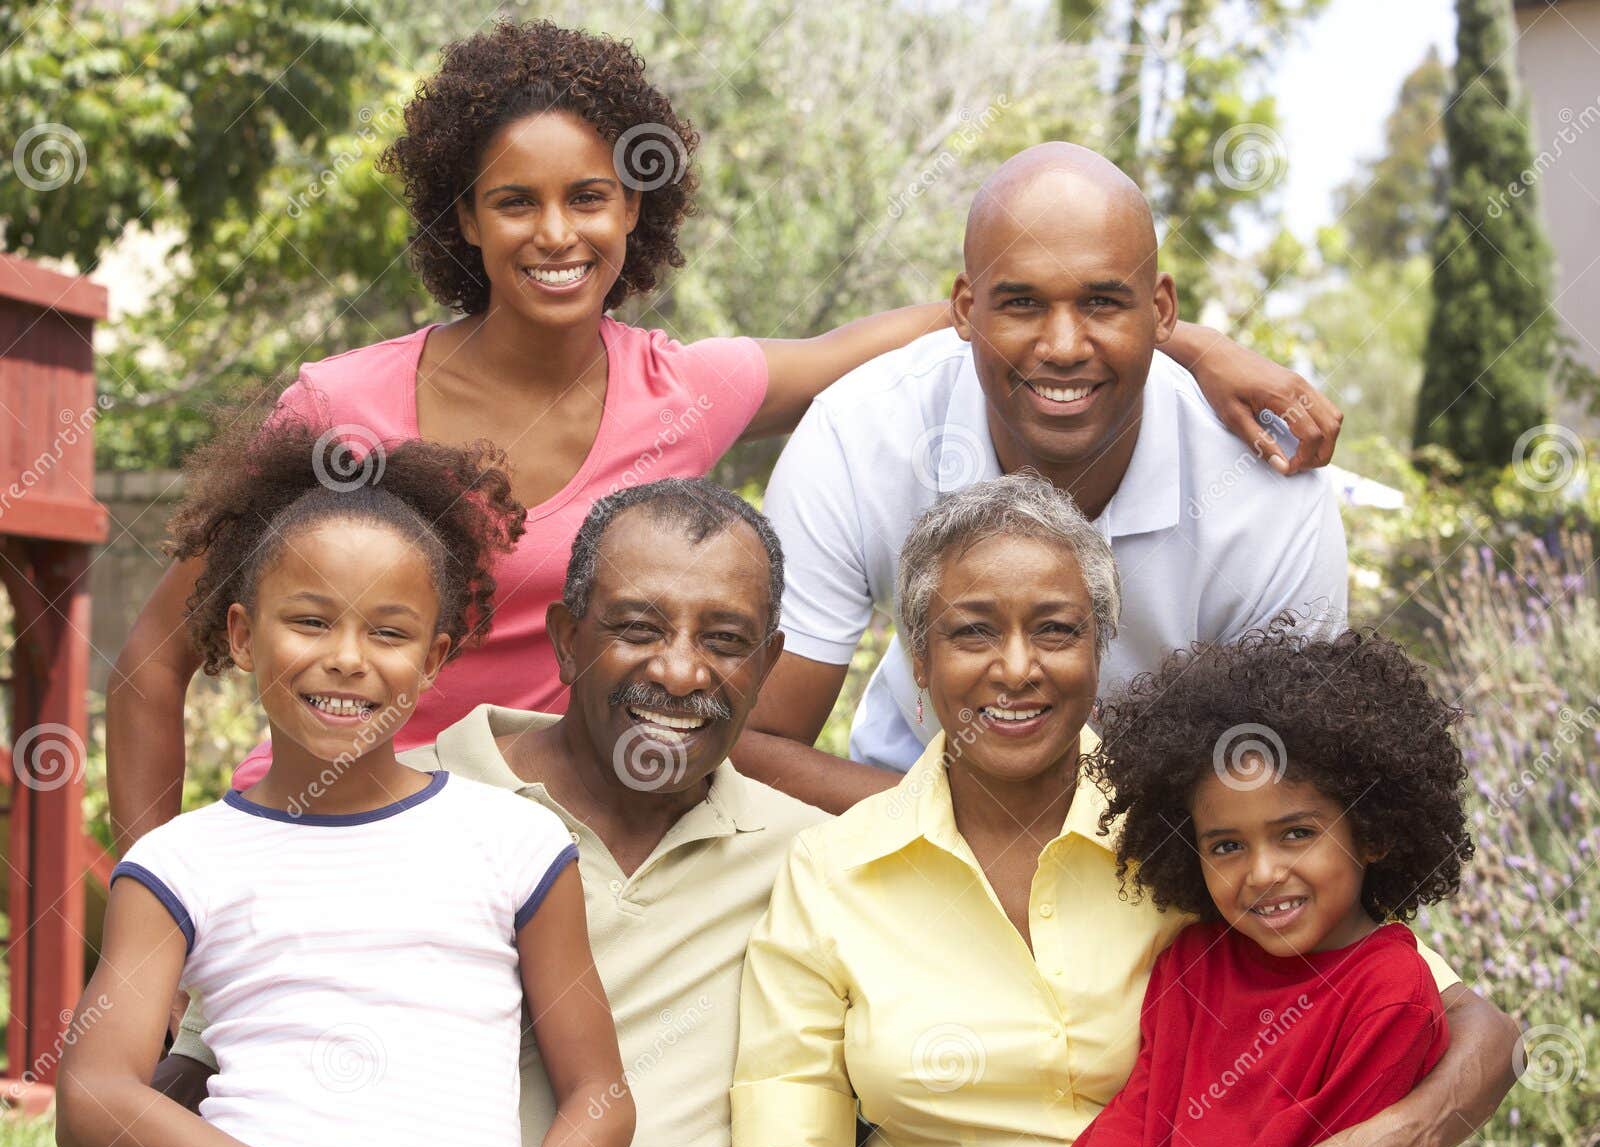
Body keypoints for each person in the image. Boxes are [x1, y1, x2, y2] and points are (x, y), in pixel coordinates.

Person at [109, 20, 1340, 849]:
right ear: (461, 219)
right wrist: (160, 901)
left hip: (561, 848)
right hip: (338, 831)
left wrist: (1189, 348)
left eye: (589, 197)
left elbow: (996, 318)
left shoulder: (684, 391)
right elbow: (152, 666)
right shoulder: (343, 412)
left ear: (632, 210)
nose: (556, 233)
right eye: (514, 202)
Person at [731, 475, 1515, 1147]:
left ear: (1099, 651)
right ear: (919, 660)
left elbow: (1475, 1027)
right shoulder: (834, 869)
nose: (1017, 667)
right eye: (973, 631)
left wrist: (1401, 1136)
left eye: (1055, 629)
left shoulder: (1203, 830)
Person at [139, 478, 828, 1147]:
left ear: (765, 664)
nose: (680, 673)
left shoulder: (817, 861)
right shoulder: (362, 809)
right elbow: (205, 1066)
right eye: (638, 629)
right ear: (567, 641)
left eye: (726, 640)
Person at [55, 414, 632, 1147]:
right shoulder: (179, 863)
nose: (348, 658)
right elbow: (93, 1097)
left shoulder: (515, 841)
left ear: (433, 659)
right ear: (241, 636)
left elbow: (600, 1094)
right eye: (310, 621)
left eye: (389, 633)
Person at [738, 141, 1350, 813]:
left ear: (1162, 310)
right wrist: (966, 836)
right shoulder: (861, 434)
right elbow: (756, 746)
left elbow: (1288, 799)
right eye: (1023, 303)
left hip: (1159, 848)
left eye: (1102, 302)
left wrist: (1070, 845)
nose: (1062, 348)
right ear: (965, 310)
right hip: (894, 818)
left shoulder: (1266, 491)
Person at [1070, 624, 1473, 1147]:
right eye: (1227, 845)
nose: (1262, 873)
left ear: (1373, 833)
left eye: (1297, 834)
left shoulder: (1392, 992)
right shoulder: (1193, 960)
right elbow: (1138, 1116)